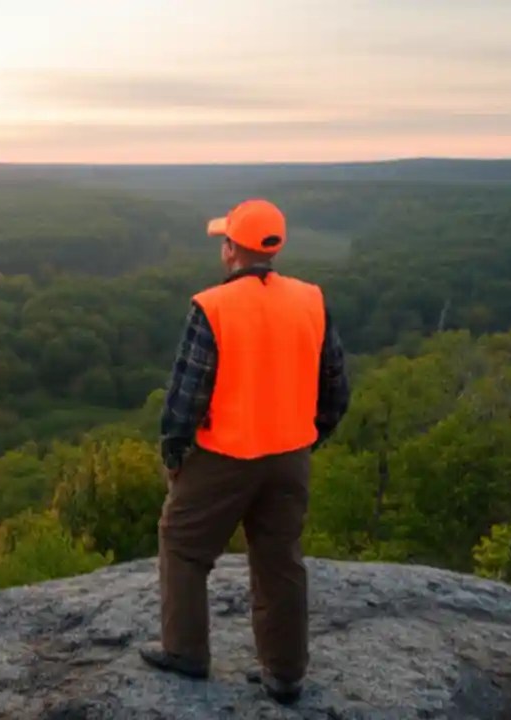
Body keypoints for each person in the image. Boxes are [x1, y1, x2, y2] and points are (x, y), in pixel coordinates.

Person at [137, 198, 350, 704]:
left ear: (232, 250)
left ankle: (186, 652)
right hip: (290, 457)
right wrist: (308, 435)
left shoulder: (212, 306)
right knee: (280, 561)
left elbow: (186, 394)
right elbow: (336, 388)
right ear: (273, 249)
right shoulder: (310, 300)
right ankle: (285, 676)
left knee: (184, 546)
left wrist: (173, 451)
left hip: (224, 456)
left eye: (225, 241)